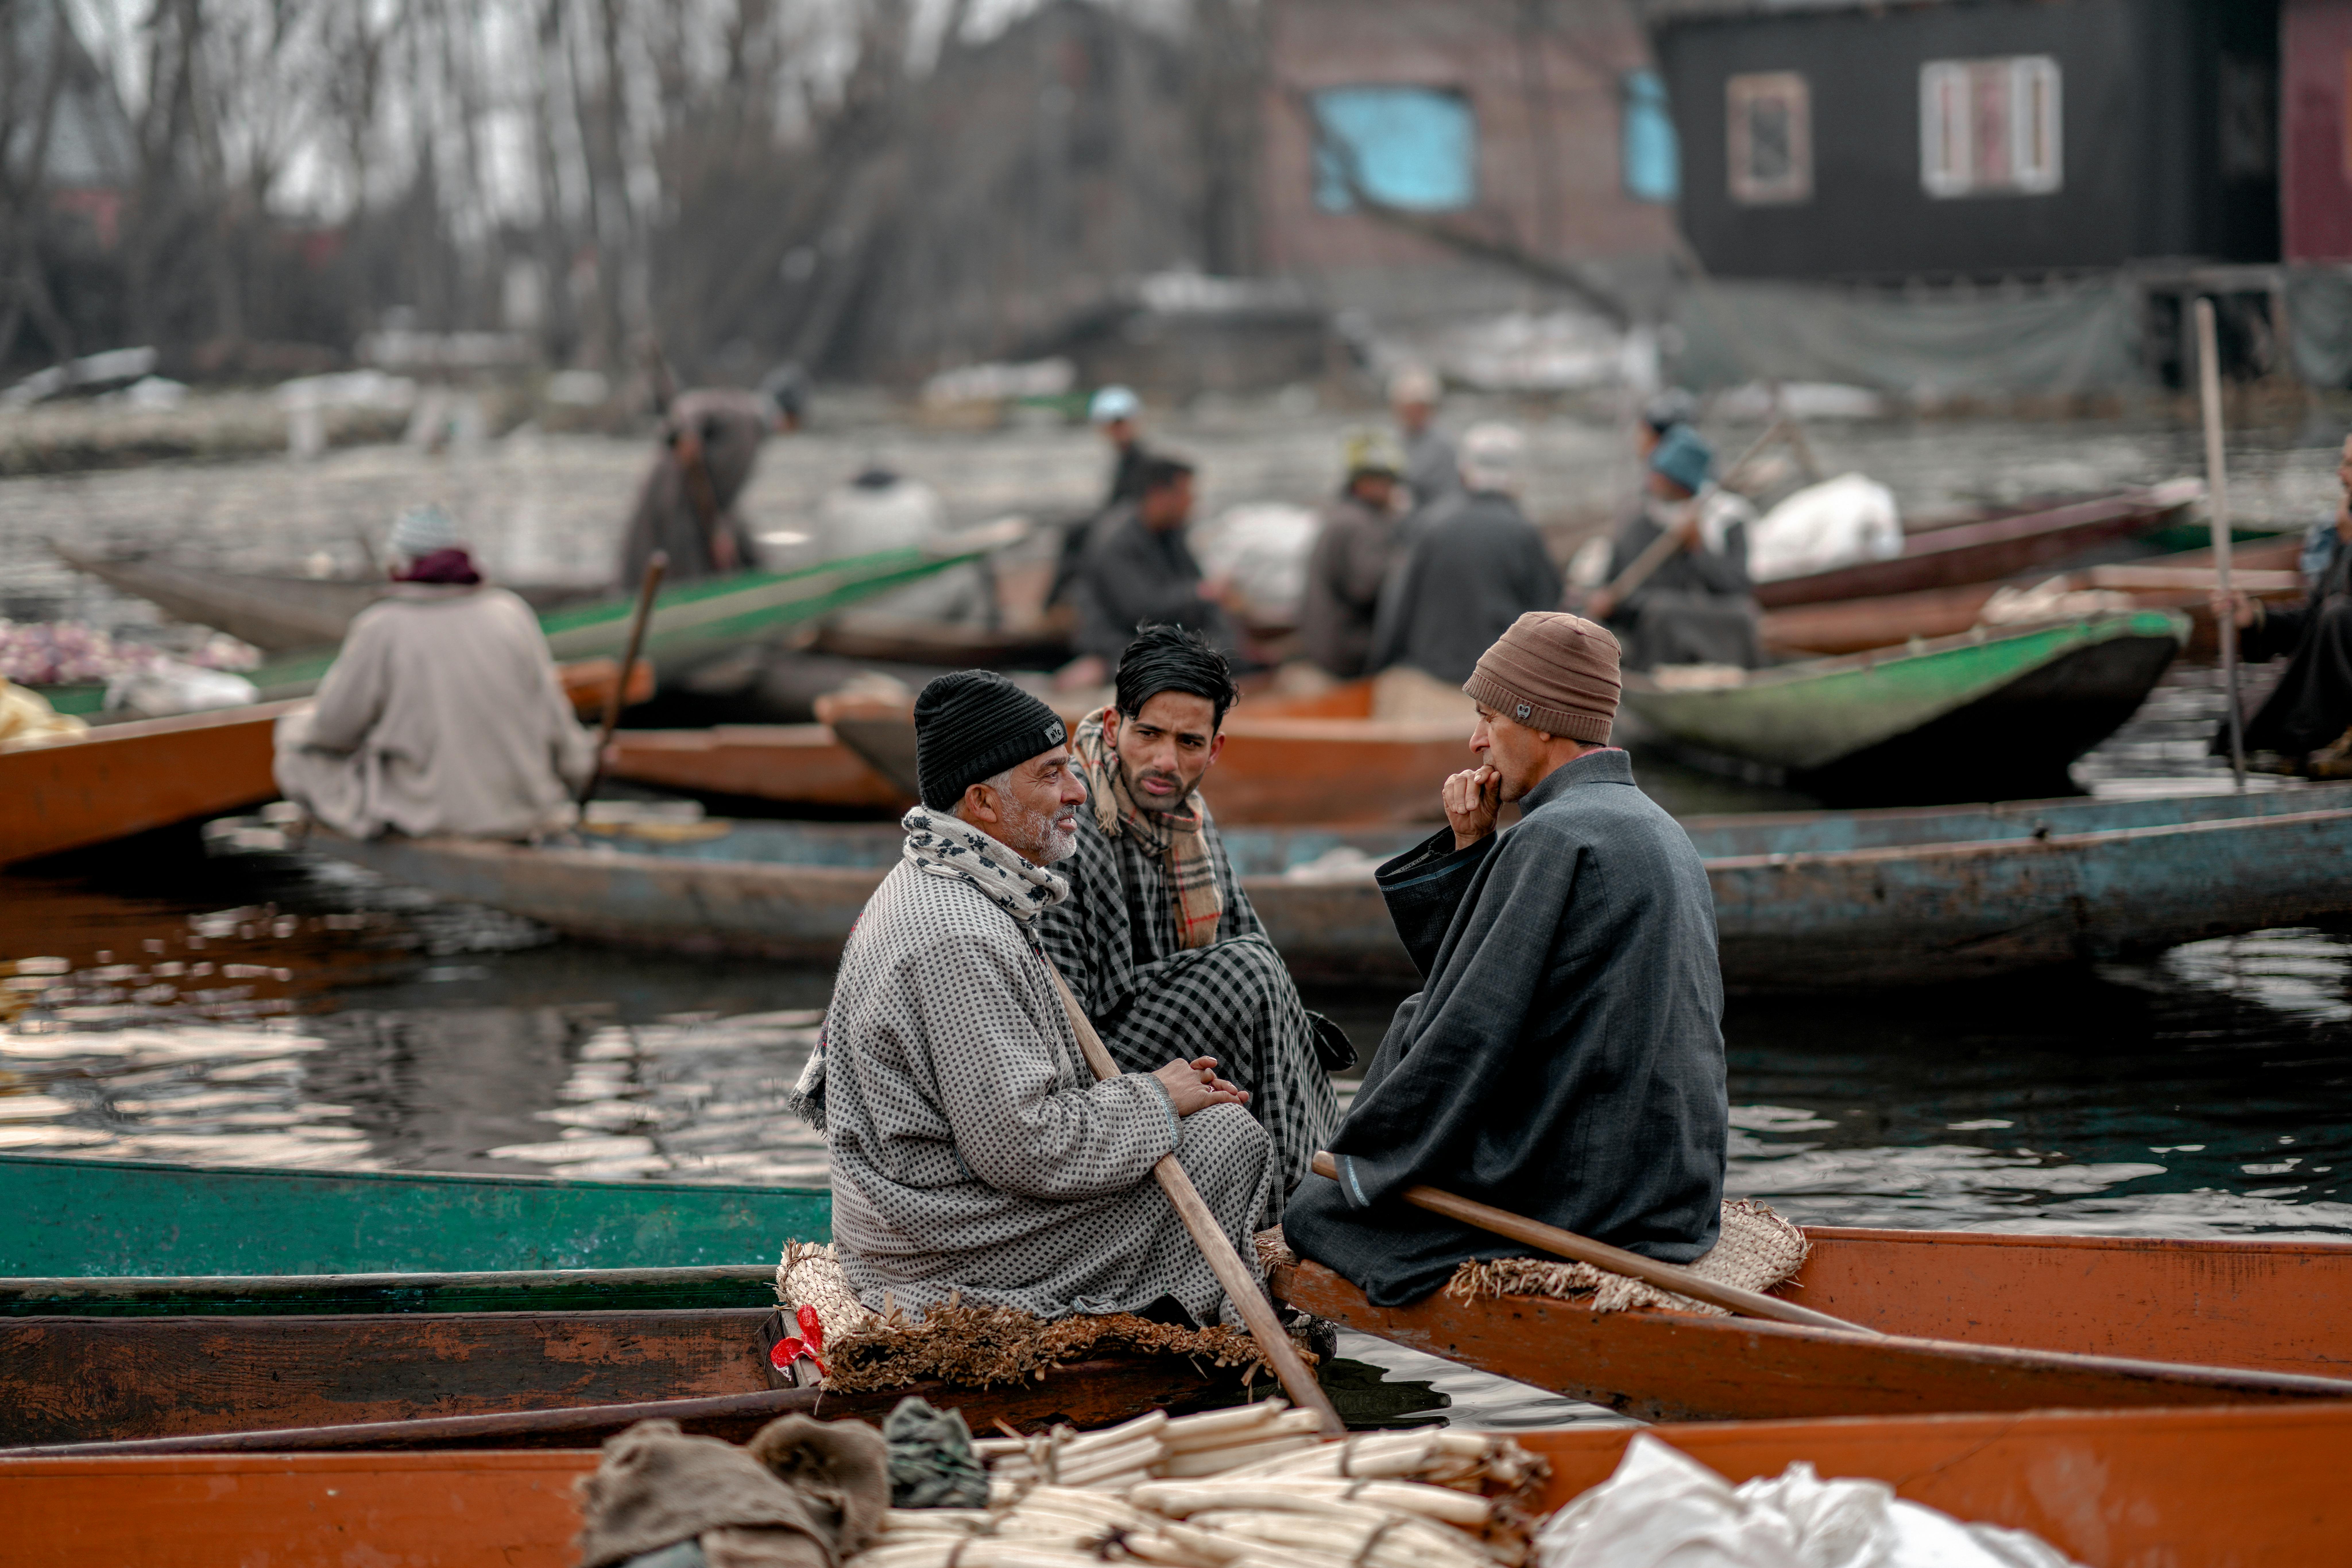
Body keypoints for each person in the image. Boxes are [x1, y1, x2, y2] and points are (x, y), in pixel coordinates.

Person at [794, 669, 1274, 1325]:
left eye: (1072, 770)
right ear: (983, 804)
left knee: (1204, 1122)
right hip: (937, 1252)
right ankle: (1177, 1327)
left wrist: (1158, 1097)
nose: (1079, 791)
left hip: (927, 1217)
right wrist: (1157, 1097)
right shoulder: (957, 936)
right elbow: (1026, 1150)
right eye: (1051, 775)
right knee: (1225, 1143)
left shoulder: (956, 880)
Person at [1283, 612, 1729, 1307]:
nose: (1476, 740)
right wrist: (1472, 849)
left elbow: (1464, 1027)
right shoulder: (1656, 826)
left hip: (1596, 1199)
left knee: (1317, 1210)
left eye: (1489, 716)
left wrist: (1367, 1163)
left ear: (1540, 720)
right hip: (1676, 1186)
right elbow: (1498, 979)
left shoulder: (1555, 837)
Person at [1037, 627, 1342, 1212]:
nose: (1164, 761)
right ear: (1112, 723)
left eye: (1188, 743)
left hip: (1174, 1041)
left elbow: (1251, 947)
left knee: (1265, 982)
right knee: (1246, 977)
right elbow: (1062, 1032)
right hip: (1096, 1067)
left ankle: (1318, 1180)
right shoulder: (1071, 831)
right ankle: (1299, 1209)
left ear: (1215, 749)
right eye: (1147, 734)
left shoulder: (1192, 824)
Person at [274, 505, 595, 840]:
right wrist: (583, 768)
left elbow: (332, 730)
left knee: (294, 750)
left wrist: (294, 726)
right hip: (527, 810)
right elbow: (559, 728)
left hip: (436, 816)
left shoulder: (381, 627)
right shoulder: (511, 612)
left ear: (400, 563)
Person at [1366, 424, 1563, 686]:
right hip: (1494, 676)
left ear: (1462, 471)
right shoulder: (1524, 534)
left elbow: (1399, 604)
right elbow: (1547, 610)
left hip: (1431, 669)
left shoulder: (1429, 525)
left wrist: (1380, 666)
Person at [2216, 432, 2352, 775]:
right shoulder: (2345, 537)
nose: (2340, 475)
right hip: (2330, 691)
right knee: (2240, 720)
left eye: (2349, 465)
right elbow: (2311, 619)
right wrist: (2254, 617)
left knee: (2340, 617)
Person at [1586, 424, 1763, 672]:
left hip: (1715, 619)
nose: (1653, 480)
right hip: (1659, 634)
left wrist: (1699, 548)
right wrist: (1607, 604)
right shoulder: (1640, 526)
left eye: (1662, 475)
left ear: (1680, 482)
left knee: (1744, 615)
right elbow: (1619, 594)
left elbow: (1737, 587)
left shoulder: (1727, 521)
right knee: (1662, 611)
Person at [617, 368, 805, 587]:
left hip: (698, 512)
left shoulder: (755, 434)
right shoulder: (742, 412)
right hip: (675, 500)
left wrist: (725, 532)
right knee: (664, 566)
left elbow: (725, 497)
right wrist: (687, 434)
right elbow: (689, 407)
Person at [1066, 456, 1236, 680]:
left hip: (1165, 644)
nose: (1192, 502)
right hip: (1120, 649)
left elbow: (1194, 585)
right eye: (1185, 495)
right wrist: (1201, 594)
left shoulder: (1170, 534)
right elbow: (1139, 609)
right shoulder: (1117, 541)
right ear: (1159, 494)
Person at [1297, 431, 1405, 680]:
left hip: (1323, 642)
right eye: (1385, 481)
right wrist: (1404, 565)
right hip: (1347, 651)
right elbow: (1369, 587)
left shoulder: (1342, 515)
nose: (1392, 489)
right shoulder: (1361, 525)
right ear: (1363, 484)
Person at [1389, 366, 1458, 514]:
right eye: (1407, 409)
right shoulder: (1391, 443)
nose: (1413, 414)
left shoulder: (1443, 448)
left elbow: (1450, 497)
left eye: (1419, 409)